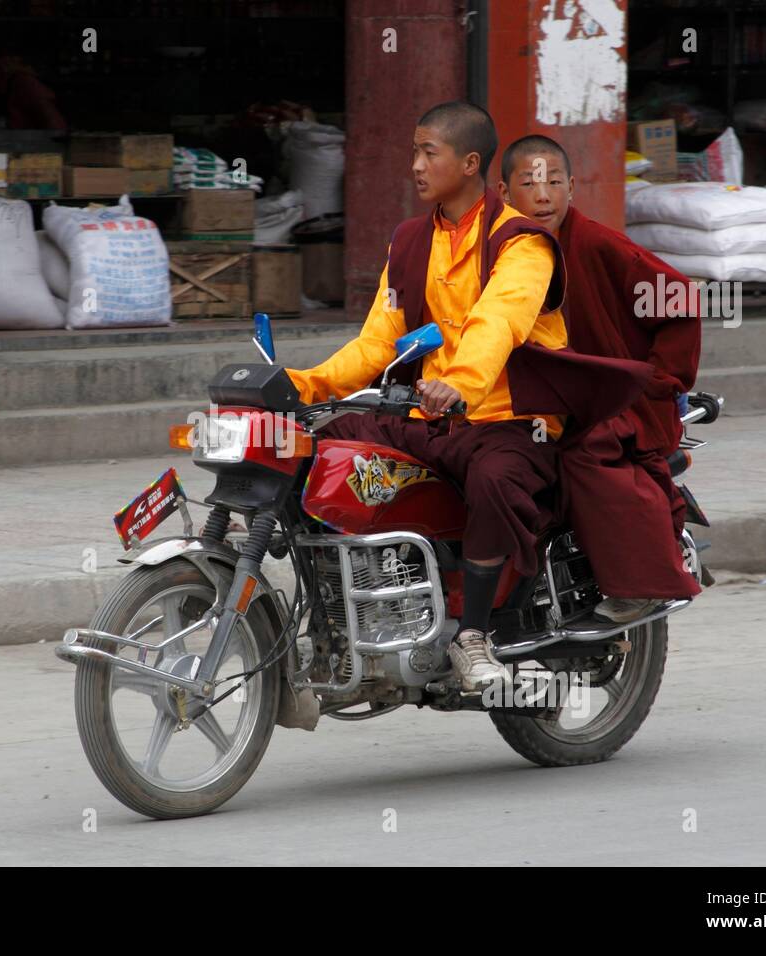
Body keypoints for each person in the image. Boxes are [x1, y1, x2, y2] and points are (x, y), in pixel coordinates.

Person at [284, 102, 647, 692]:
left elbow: (498, 321)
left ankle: (473, 634)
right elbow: (379, 342)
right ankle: (332, 626)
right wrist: (302, 384)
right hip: (432, 417)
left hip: (510, 419)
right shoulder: (409, 242)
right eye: (414, 151)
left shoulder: (522, 243)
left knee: (495, 480)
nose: (417, 165)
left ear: (470, 162)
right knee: (322, 447)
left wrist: (461, 383)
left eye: (430, 152)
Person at [499, 134, 702, 622]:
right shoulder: (504, 251)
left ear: (572, 188)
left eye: (553, 183)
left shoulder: (597, 245)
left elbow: (680, 300)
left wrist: (659, 382)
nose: (542, 196)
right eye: (529, 183)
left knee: (586, 450)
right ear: (505, 195)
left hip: (616, 400)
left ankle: (638, 584)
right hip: (539, 399)